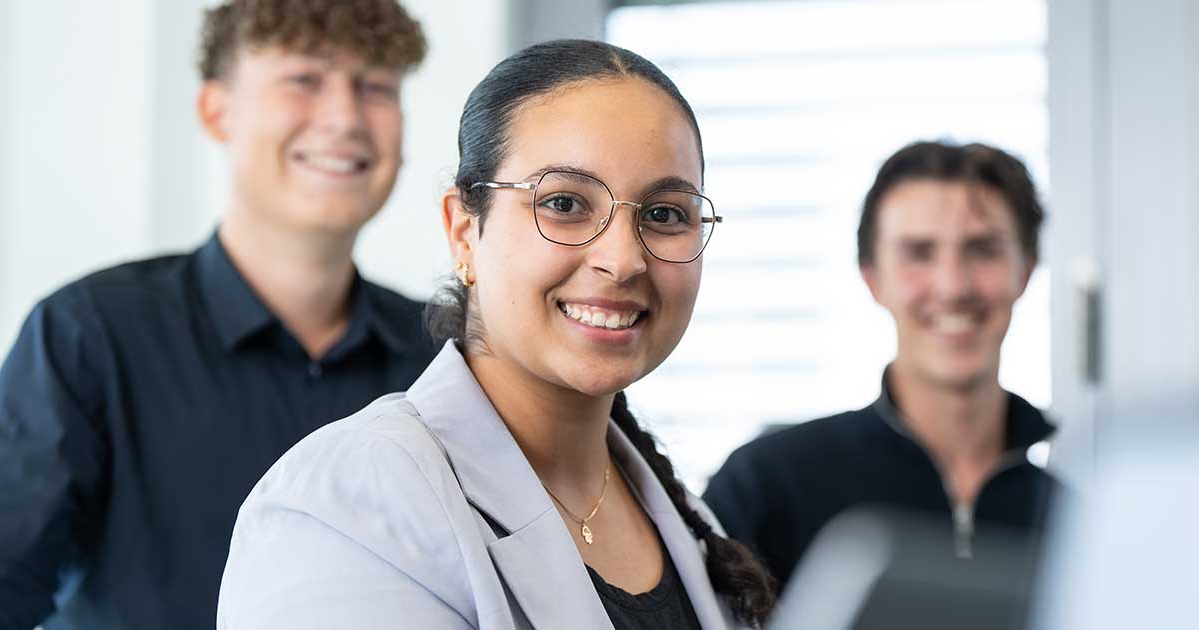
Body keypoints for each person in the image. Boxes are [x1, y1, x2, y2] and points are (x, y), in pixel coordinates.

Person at [216, 39, 776, 630]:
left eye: (664, 214)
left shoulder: (687, 522)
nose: (623, 260)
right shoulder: (347, 505)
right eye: (565, 203)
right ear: (464, 232)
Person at [0, 2, 434, 629]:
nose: (345, 117)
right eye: (303, 79)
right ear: (215, 111)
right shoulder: (89, 335)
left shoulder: (447, 359)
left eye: (376, 87)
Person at [704, 141, 1059, 590]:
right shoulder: (765, 486)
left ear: (1025, 270)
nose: (953, 287)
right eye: (919, 253)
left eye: (982, 250)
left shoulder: (1081, 524)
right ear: (873, 278)